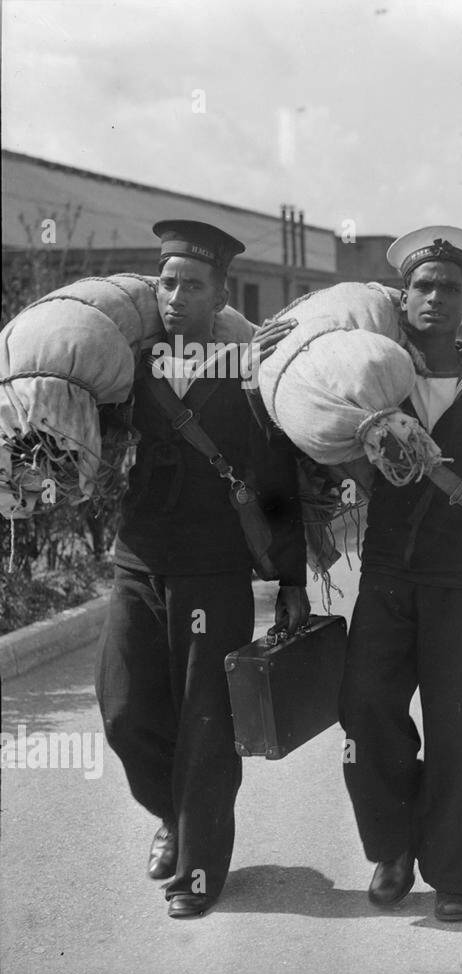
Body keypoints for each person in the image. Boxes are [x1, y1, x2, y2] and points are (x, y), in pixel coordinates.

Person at [96, 219, 309, 918]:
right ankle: (174, 814)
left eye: (192, 284)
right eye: (167, 281)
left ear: (220, 295)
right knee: (125, 708)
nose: (175, 295)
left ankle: (198, 868)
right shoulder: (131, 358)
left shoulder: (249, 369)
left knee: (208, 720)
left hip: (213, 569)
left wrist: (292, 579)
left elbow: (276, 477)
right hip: (139, 558)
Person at [339, 226, 462, 922]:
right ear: (404, 296)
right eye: (422, 286)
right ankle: (393, 846)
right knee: (364, 709)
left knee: (459, 722)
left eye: (448, 288)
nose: (434, 298)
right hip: (389, 572)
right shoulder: (373, 373)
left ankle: (456, 871)